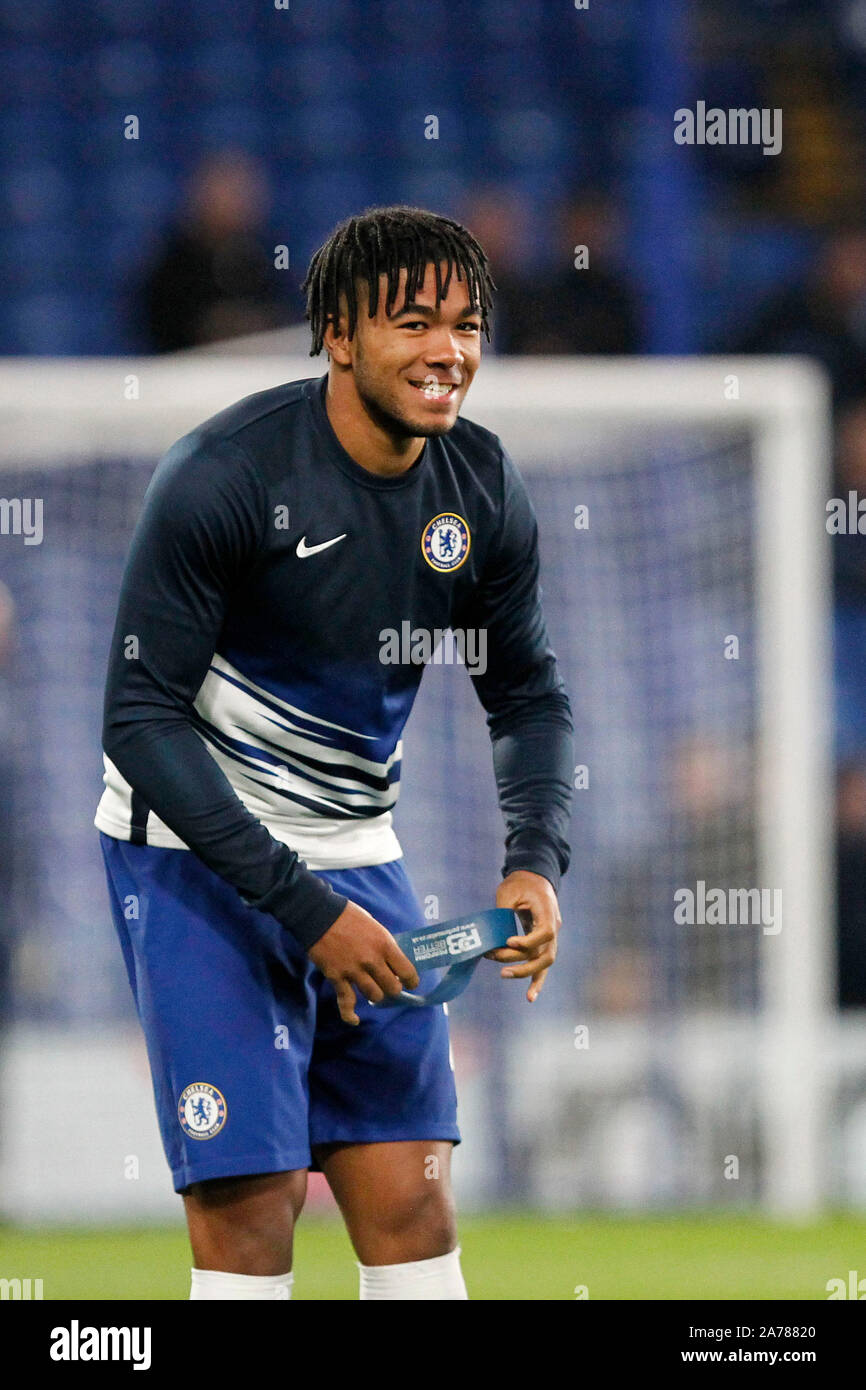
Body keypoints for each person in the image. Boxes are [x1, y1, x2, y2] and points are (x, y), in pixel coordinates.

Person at [95, 205, 574, 1300]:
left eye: (466, 323)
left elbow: (528, 692)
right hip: (194, 859)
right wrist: (307, 912)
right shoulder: (221, 475)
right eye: (412, 322)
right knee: (251, 1216)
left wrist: (534, 858)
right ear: (338, 332)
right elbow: (138, 719)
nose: (446, 350)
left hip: (359, 853)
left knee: (411, 1198)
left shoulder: (481, 486)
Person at [137, 150, 295, 353]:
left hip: (256, 372)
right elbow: (155, 321)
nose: (232, 201)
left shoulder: (269, 254)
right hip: (185, 374)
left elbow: (286, 315)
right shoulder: (174, 259)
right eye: (224, 192)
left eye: (240, 192)